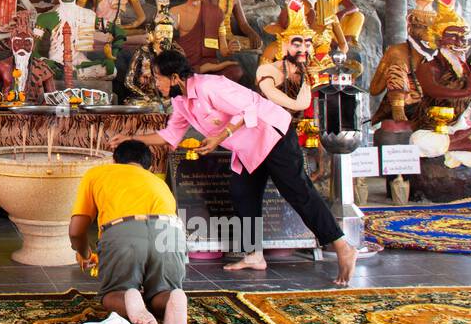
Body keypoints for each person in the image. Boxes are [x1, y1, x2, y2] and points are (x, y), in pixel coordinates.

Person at [120, 49, 357, 285]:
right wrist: (129, 139)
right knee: (243, 192)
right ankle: (254, 255)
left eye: (158, 77)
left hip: (271, 134)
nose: (155, 82)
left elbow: (248, 109)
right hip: (248, 147)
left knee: (298, 192)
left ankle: (341, 245)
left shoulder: (208, 86)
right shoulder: (181, 102)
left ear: (174, 77)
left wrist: (219, 137)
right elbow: (169, 136)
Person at [69, 140, 188, 324]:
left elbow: (76, 230)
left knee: (112, 294)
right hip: (170, 231)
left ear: (115, 160)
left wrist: (85, 254)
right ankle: (172, 297)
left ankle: (127, 297)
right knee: (161, 291)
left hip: (124, 229)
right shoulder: (158, 183)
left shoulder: (98, 173)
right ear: (148, 167)